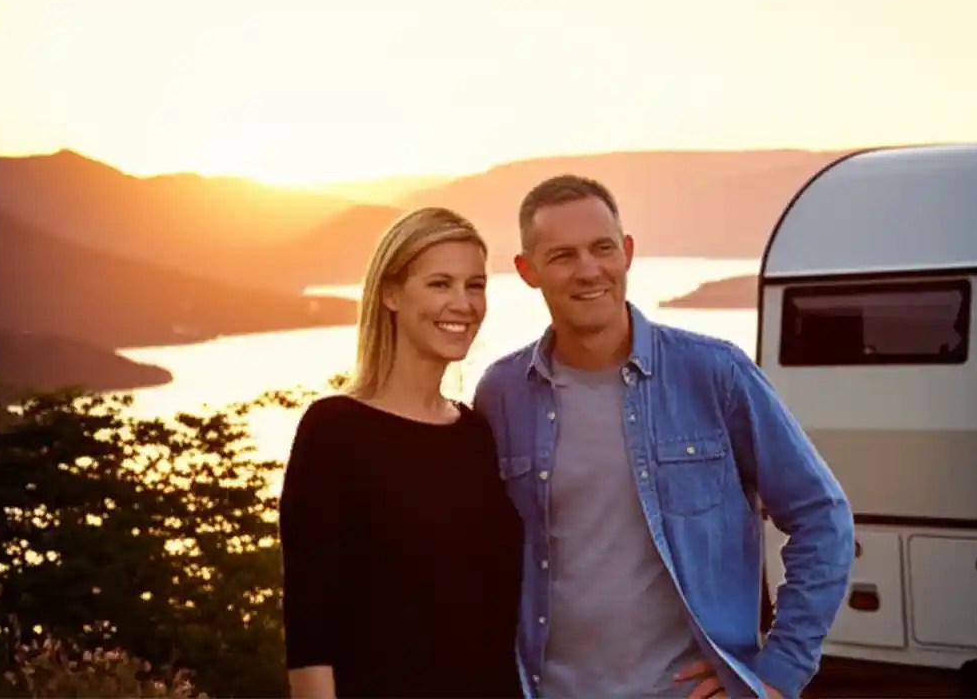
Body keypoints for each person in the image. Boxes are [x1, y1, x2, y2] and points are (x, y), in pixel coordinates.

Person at [473, 175, 855, 699]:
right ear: (527, 271)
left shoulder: (715, 373)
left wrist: (776, 673)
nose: (589, 270)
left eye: (603, 248)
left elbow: (822, 516)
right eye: (562, 256)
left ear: (627, 252)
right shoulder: (502, 394)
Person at [279, 207, 523, 699]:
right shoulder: (334, 431)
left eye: (475, 285)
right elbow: (309, 631)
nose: (463, 304)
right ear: (390, 293)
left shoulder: (476, 433)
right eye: (440, 284)